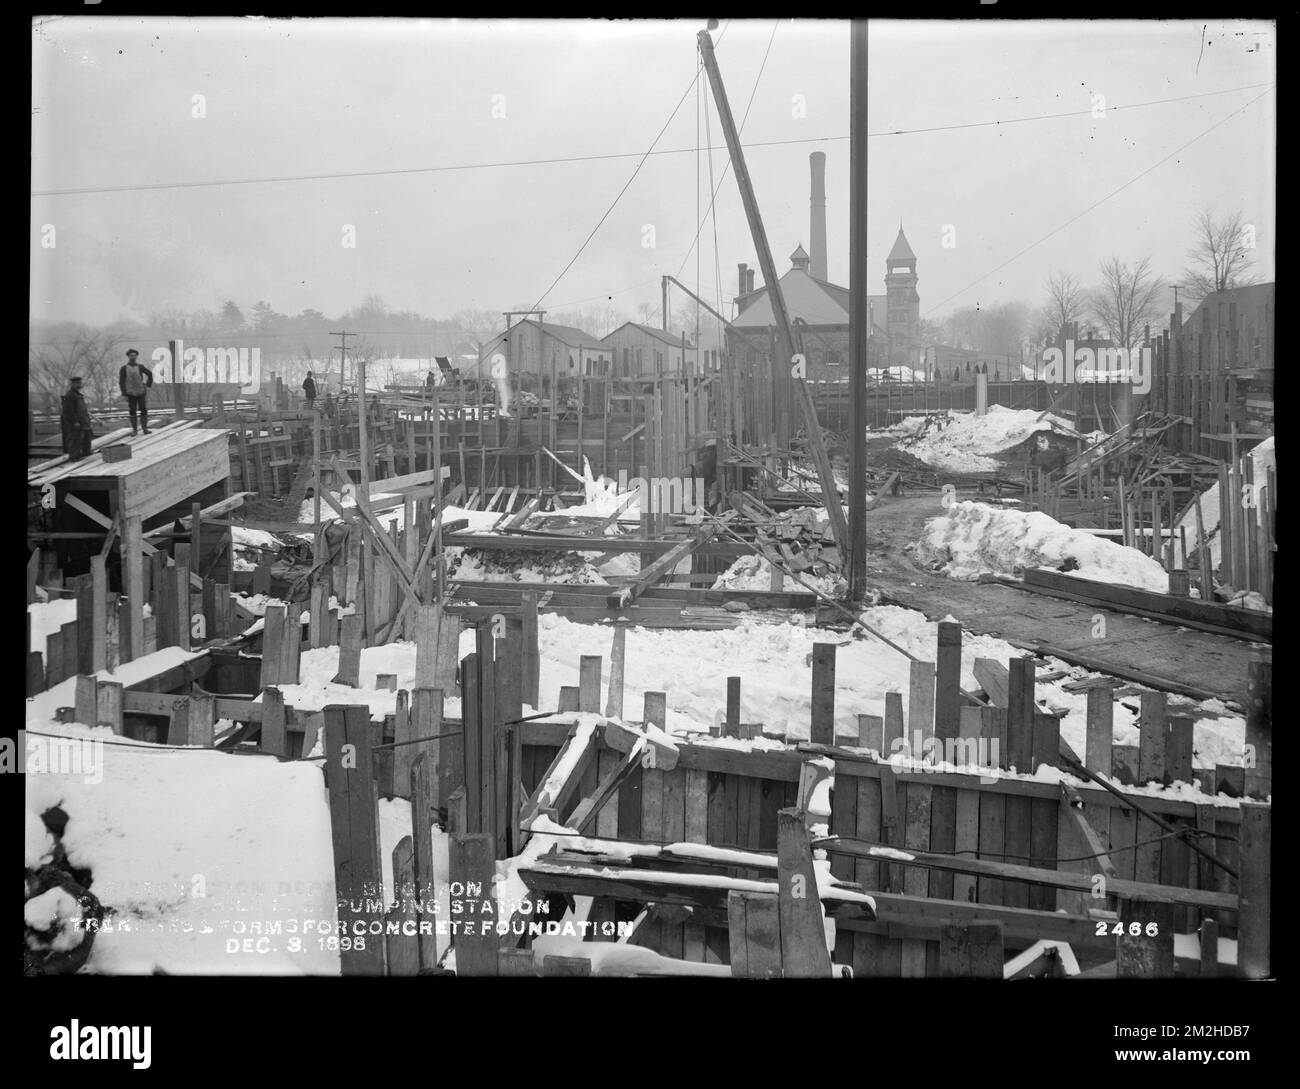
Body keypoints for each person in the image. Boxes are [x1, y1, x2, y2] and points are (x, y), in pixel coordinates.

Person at [118, 348, 154, 435]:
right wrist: (124, 393)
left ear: (136, 356)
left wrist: (148, 384)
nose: (133, 357)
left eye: (134, 355)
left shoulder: (140, 367)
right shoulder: (124, 368)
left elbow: (150, 374)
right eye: (131, 355)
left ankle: (145, 429)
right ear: (128, 356)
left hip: (141, 391)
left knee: (143, 409)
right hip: (130, 392)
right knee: (132, 410)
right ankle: (135, 430)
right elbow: (121, 381)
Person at [61, 376, 94, 461]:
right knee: (76, 439)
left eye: (80, 383)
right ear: (72, 384)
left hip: (83, 420)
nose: (79, 385)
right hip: (76, 422)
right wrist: (74, 421)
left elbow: (82, 409)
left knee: (86, 437)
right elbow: (68, 411)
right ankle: (74, 457)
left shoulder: (78, 395)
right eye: (77, 383)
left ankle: (86, 452)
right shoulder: (70, 395)